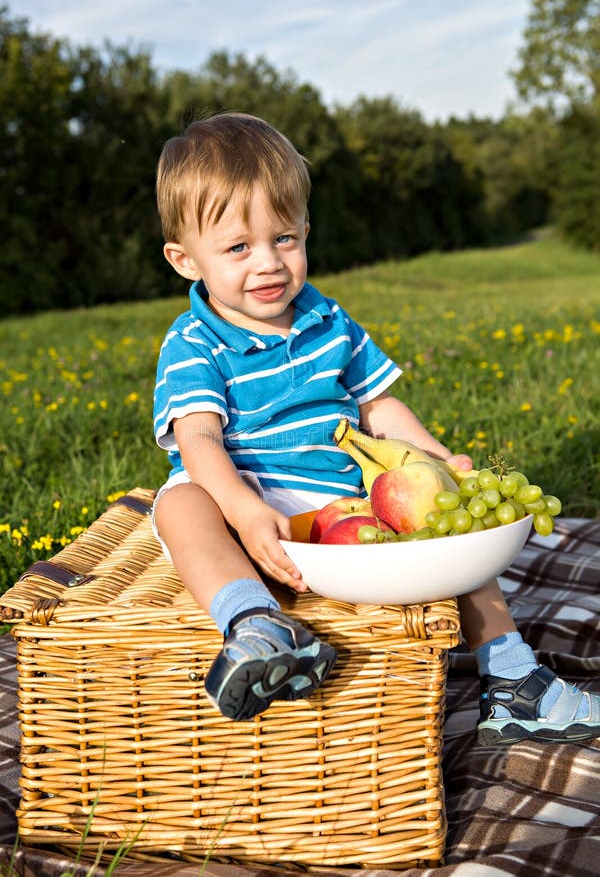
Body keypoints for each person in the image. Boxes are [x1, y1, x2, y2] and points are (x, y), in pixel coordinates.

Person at [152, 112, 600, 743]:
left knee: (449, 528)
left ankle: (513, 677)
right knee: (181, 503)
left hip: (341, 503)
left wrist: (437, 459)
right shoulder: (194, 342)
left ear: (306, 229)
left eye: (284, 238)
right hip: (240, 499)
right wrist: (246, 509)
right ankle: (254, 623)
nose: (269, 263)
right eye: (237, 248)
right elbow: (197, 441)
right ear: (185, 260)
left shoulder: (328, 320)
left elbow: (378, 409)